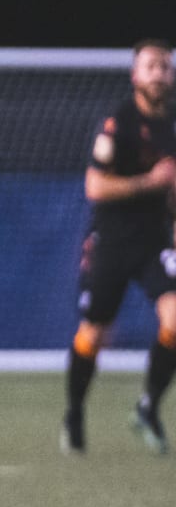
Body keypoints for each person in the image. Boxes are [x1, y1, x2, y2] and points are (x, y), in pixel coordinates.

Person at [61, 38, 176, 456]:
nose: (160, 74)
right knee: (93, 335)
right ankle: (74, 411)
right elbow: (95, 186)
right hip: (110, 244)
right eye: (151, 67)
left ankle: (148, 408)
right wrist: (150, 182)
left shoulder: (172, 128)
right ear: (135, 76)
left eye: (165, 66)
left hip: (153, 245)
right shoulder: (118, 124)